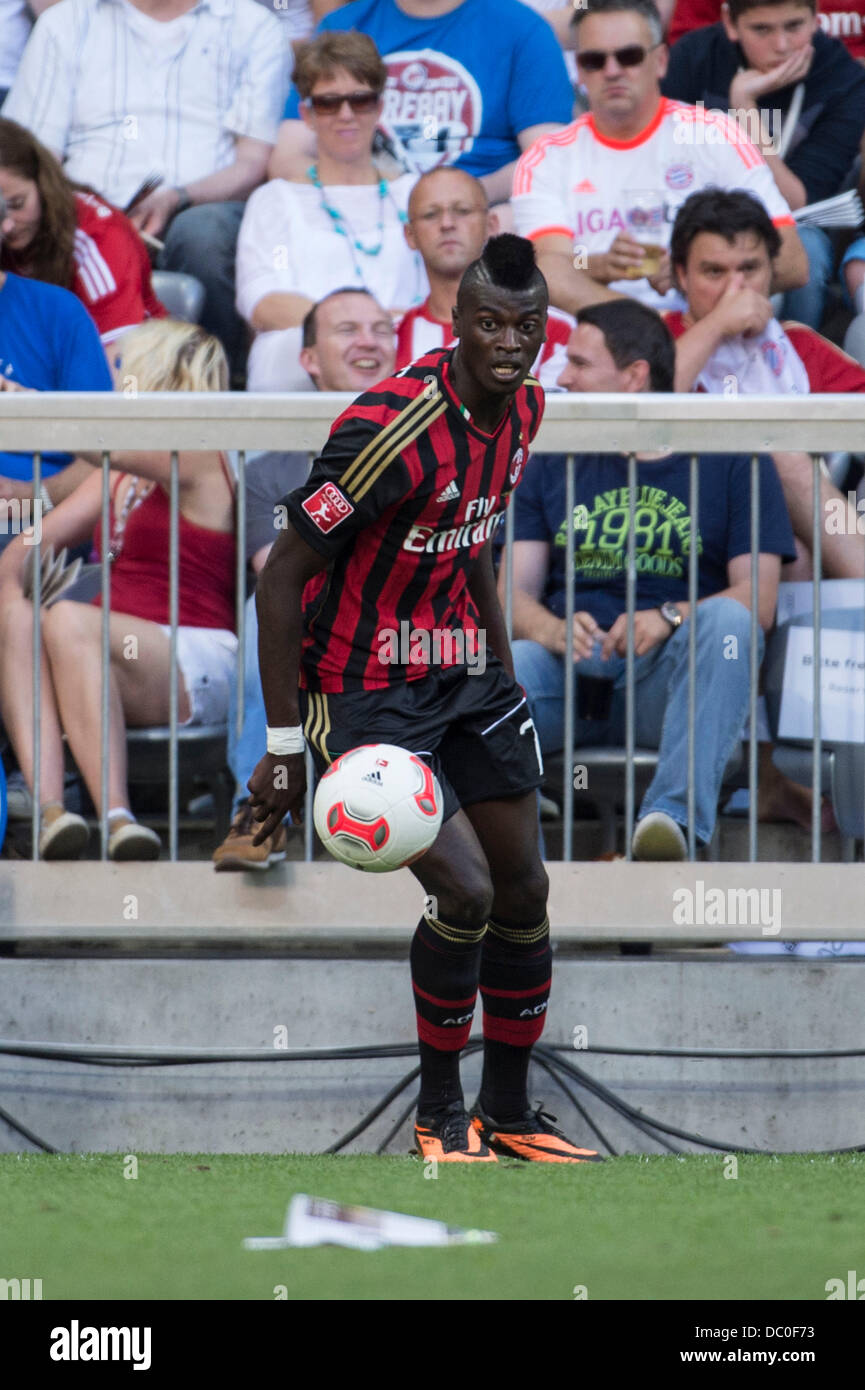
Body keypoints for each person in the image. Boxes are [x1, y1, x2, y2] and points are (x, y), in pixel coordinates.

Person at [247, 234, 602, 1162]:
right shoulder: (386, 428)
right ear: (456, 322)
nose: (510, 343)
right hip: (361, 690)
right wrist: (287, 746)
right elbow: (279, 578)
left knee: (525, 888)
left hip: (466, 677)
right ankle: (438, 1117)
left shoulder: (527, 408)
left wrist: (500, 666)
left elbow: (477, 541)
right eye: (490, 323)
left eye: (527, 326)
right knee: (469, 892)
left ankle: (511, 1114)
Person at [506, 298, 796, 859]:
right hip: (572, 673)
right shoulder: (550, 453)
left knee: (730, 623)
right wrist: (550, 629)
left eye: (580, 364)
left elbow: (758, 601)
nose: (561, 378)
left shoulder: (730, 454)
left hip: (672, 683)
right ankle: (524, 880)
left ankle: (667, 827)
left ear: (635, 375)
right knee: (503, 667)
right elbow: (510, 595)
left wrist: (668, 618)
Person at [0, 320, 237, 862]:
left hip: (193, 653)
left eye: (122, 369)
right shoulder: (119, 472)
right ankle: (52, 812)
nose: (113, 386)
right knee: (22, 612)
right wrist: (16, 584)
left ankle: (116, 817)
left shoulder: (202, 451)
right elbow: (27, 552)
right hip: (106, 652)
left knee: (64, 619)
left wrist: (18, 400)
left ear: (157, 374)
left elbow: (96, 439)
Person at [2, 0, 291, 378]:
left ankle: (220, 390)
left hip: (199, 206)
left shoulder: (252, 23)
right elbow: (33, 154)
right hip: (72, 209)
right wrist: (57, 207)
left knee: (199, 235)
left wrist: (177, 197)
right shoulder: (65, 21)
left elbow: (252, 163)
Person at [213, 286, 397, 869]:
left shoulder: (428, 446)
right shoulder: (268, 470)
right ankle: (259, 810)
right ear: (309, 360)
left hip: (408, 619)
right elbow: (275, 574)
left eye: (381, 329)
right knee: (258, 610)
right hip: (322, 620)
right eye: (347, 330)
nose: (368, 341)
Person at [512, 0, 808, 318]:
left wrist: (696, 273)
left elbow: (792, 261)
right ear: (580, 71)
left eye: (630, 56)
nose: (612, 71)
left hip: (710, 332)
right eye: (595, 60)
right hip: (591, 347)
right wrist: (598, 266)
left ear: (661, 60)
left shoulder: (716, 134)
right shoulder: (547, 157)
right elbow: (550, 270)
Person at [666, 189, 865, 583]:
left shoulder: (799, 345)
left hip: (773, 534)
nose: (735, 289)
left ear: (772, 272)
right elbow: (640, 406)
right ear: (681, 275)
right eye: (714, 272)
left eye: (750, 269)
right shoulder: (653, 336)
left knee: (796, 558)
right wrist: (718, 325)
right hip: (669, 514)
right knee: (784, 457)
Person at [236, 31, 425, 391]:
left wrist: (355, 333)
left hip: (406, 375)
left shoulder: (415, 194)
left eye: (361, 100)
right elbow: (262, 303)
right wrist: (369, 332)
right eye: (328, 103)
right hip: (300, 373)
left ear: (380, 107)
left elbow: (443, 300)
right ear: (307, 114)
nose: (346, 114)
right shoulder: (275, 198)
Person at [662, 0, 865, 331]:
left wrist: (744, 106)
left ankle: (796, 356)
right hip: (691, 211)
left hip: (793, 224)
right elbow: (666, 160)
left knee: (805, 250)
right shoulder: (694, 56)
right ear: (730, 23)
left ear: (816, 18)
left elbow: (795, 200)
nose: (782, 45)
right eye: (762, 29)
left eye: (794, 26)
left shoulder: (843, 79)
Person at [267, 0, 575, 205]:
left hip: (480, 217)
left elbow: (546, 160)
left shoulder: (521, 27)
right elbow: (287, 159)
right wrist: (377, 193)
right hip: (359, 207)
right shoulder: (343, 26)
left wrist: (464, 200)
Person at [396, 165, 574, 388]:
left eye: (462, 211)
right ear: (410, 235)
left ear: (492, 225)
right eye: (431, 214)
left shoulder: (555, 330)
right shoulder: (389, 338)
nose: (447, 224)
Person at [0, 191, 112, 542]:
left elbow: (105, 448)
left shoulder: (58, 311)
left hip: (31, 511)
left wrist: (33, 497)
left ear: (6, 224)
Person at [0, 118, 165, 346]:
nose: (7, 225)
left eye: (17, 204)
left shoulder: (98, 236)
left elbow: (121, 363)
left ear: (42, 183)